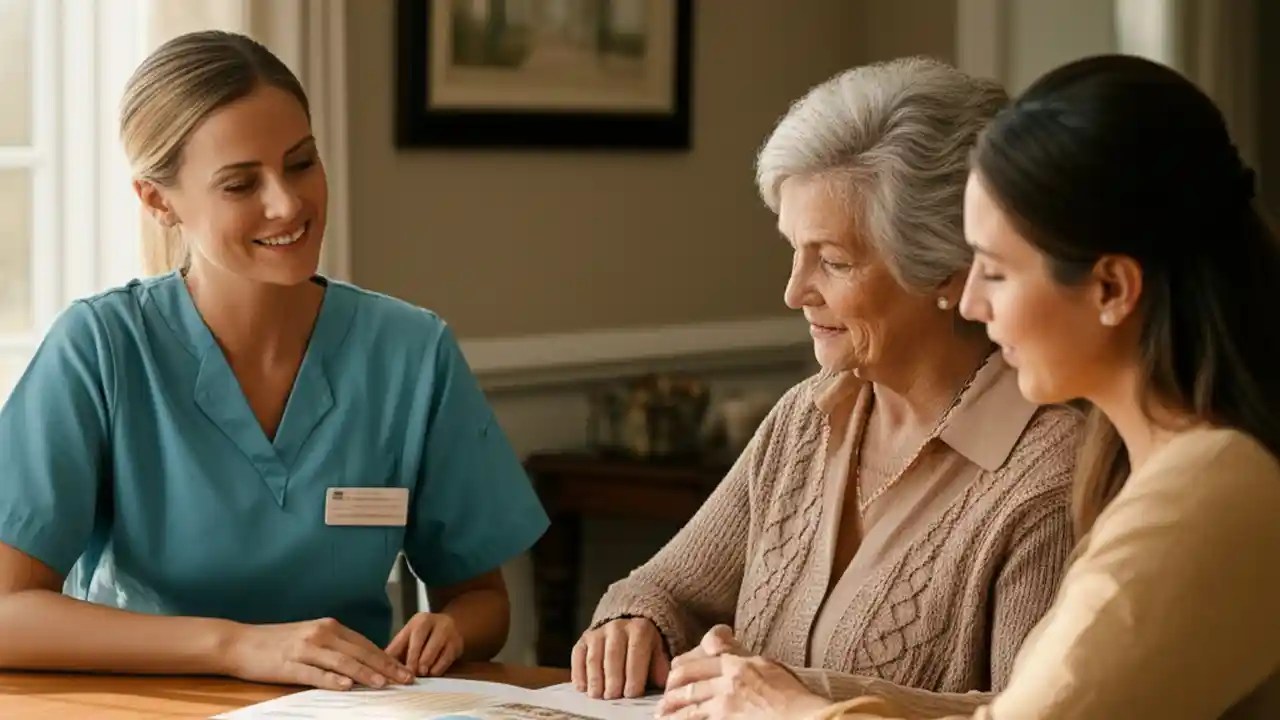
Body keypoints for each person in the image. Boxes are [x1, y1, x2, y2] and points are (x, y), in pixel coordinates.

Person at [656, 54, 1280, 720]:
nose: (971, 300)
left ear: (1111, 289)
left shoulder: (1205, 493)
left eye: (997, 271)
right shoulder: (1176, 472)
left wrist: (793, 709)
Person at [0, 31, 548, 692]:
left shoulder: (411, 352)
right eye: (240, 183)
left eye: (300, 162)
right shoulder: (101, 350)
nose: (287, 204)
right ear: (158, 200)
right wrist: (236, 648)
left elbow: (482, 599)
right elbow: (8, 612)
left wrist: (453, 628)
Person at [573, 57, 1081, 702]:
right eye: (795, 250)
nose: (793, 293)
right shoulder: (806, 416)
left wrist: (794, 698)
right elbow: (663, 586)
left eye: (834, 262)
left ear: (950, 271)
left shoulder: (1048, 477)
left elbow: (1032, 716)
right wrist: (631, 622)